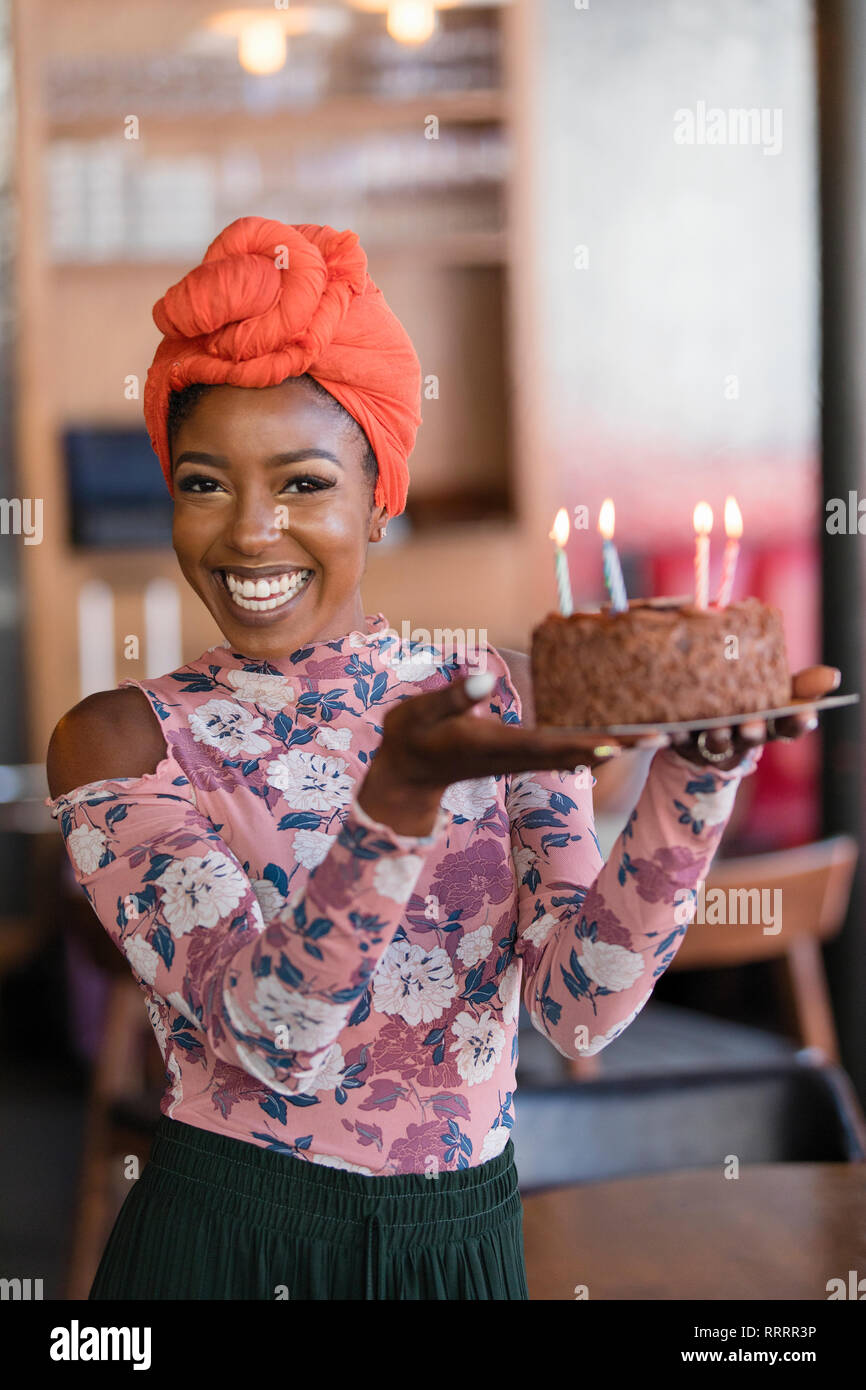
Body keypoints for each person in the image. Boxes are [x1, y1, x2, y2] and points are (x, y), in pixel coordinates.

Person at [45, 217, 835, 1301]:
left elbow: (578, 1006)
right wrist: (397, 798)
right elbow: (273, 1042)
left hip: (459, 1248)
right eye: (204, 482)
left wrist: (695, 777)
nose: (249, 532)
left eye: (304, 484)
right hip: (230, 1243)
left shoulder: (503, 694)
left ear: (379, 498)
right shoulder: (123, 737)